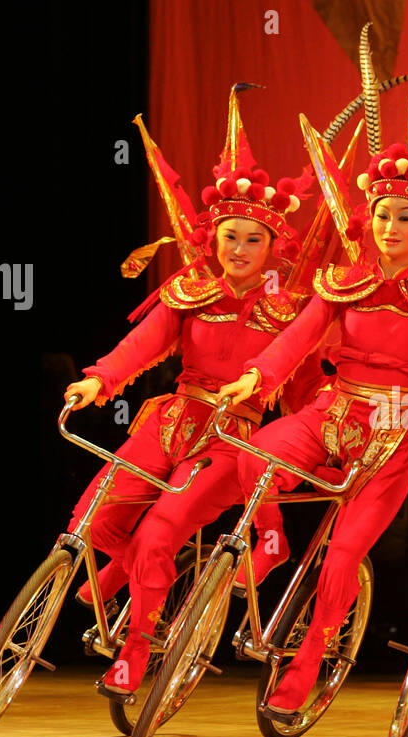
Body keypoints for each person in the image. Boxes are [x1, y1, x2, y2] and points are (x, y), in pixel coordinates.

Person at [219, 140, 408, 718]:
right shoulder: (343, 282)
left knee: (342, 559)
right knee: (254, 456)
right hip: (330, 412)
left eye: (404, 217)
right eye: (382, 215)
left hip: (394, 426)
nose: (390, 226)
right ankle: (270, 540)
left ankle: (307, 663)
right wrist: (256, 377)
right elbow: (298, 338)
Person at [66, 143, 318, 701]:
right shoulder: (194, 291)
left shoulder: (291, 310)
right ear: (213, 236)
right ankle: (125, 571)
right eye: (230, 235)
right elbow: (141, 344)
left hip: (233, 439)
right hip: (174, 419)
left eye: (254, 239)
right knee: (95, 515)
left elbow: (304, 389)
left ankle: (135, 650)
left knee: (159, 531)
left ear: (275, 247)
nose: (239, 248)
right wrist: (98, 380)